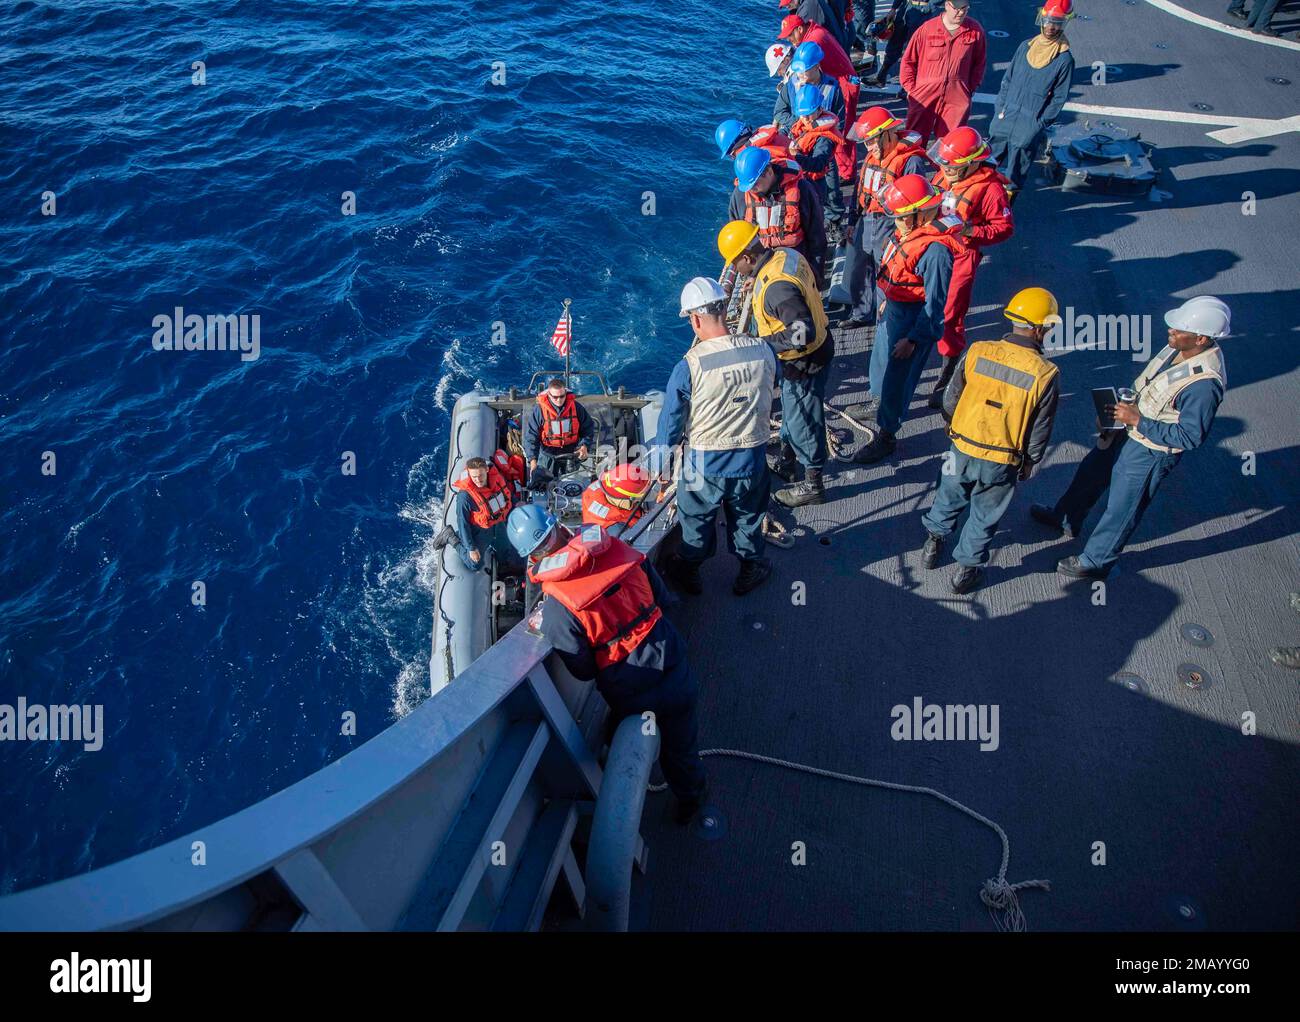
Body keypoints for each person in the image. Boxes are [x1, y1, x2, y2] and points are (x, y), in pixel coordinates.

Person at [506, 506, 707, 823]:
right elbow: (661, 597)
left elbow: (583, 669)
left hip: (629, 688)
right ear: (559, 526)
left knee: (627, 734)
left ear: (532, 558)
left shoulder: (558, 608)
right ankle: (692, 801)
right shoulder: (615, 546)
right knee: (682, 746)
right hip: (672, 661)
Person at [1032, 297, 1230, 581]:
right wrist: (1121, 416)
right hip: (1128, 427)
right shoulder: (1179, 347)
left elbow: (1191, 435)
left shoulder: (1204, 384)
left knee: (1123, 505)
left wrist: (1137, 420)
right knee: (1090, 472)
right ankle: (1066, 518)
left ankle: (1097, 560)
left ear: (1200, 338)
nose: (1170, 332)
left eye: (1177, 330)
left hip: (1150, 450)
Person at [919, 287, 1061, 593]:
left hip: (962, 445)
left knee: (948, 495)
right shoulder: (1045, 373)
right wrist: (1030, 462)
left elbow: (950, 398)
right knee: (985, 512)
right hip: (1002, 459)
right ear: (1039, 328)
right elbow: (1040, 427)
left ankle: (933, 545)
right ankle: (965, 572)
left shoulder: (979, 350)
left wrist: (955, 429)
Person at [656, 276, 777, 596]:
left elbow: (670, 421)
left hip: (703, 464)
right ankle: (750, 568)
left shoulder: (689, 366)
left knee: (696, 521)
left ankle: (691, 570)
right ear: (725, 310)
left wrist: (661, 466)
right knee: (749, 515)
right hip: (751, 457)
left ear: (695, 319)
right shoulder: (763, 350)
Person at [718, 220, 834, 507]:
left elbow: (801, 331)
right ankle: (787, 459)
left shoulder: (776, 288)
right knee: (794, 416)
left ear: (747, 257)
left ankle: (812, 484)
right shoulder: (786, 255)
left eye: (736, 264)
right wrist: (757, 282)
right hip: (819, 346)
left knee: (804, 421)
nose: (735, 270)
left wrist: (761, 346)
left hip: (803, 362)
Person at [855, 173, 966, 464]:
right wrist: (888, 299)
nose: (897, 223)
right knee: (881, 363)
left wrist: (912, 340)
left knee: (898, 379)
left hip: (912, 320)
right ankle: (879, 402)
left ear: (922, 213)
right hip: (895, 307)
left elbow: (935, 305)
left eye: (903, 217)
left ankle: (887, 435)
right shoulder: (909, 233)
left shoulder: (936, 252)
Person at [925, 125, 1015, 405]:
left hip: (960, 256)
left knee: (951, 315)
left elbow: (1003, 228)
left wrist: (970, 232)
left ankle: (948, 372)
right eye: (944, 165)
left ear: (972, 163)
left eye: (952, 167)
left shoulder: (990, 189)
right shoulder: (948, 171)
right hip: (932, 249)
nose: (945, 170)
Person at [841, 107, 933, 329]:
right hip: (867, 219)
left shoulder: (910, 162)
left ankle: (885, 320)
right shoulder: (874, 156)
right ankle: (861, 313)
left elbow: (915, 200)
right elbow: (859, 189)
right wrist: (853, 221)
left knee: (887, 274)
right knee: (859, 271)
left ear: (888, 134)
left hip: (891, 224)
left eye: (872, 141)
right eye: (867, 142)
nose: (869, 147)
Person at [989, 0, 1076, 198]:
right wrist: (1000, 109)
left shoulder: (1064, 60)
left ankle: (1003, 216)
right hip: (1005, 117)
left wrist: (1037, 124)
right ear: (1041, 19)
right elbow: (1007, 80)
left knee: (1013, 179)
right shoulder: (1025, 47)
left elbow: (1058, 99)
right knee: (986, 166)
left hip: (1028, 125)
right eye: (1048, 21)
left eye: (1057, 23)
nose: (1051, 27)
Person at [729, 146, 829, 287]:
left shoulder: (802, 190)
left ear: (769, 171)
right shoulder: (740, 197)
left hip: (797, 267)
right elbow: (740, 243)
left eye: (755, 184)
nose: (752, 190)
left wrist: (815, 275)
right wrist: (752, 275)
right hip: (762, 272)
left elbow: (817, 237)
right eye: (748, 186)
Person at [898, 0, 986, 144]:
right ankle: (912, 165)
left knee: (950, 143)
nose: (961, 12)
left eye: (965, 8)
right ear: (947, 5)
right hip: (923, 95)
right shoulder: (927, 29)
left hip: (956, 97)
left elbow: (979, 63)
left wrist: (969, 89)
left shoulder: (975, 31)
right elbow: (908, 61)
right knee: (913, 139)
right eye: (957, 8)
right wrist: (911, 89)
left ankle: (943, 167)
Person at [779, 13, 862, 142]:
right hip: (843, 80)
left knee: (843, 135)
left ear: (799, 29)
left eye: (790, 35)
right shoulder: (815, 31)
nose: (789, 40)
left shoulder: (813, 41)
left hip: (844, 84)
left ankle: (846, 161)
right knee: (846, 129)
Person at [788, 83, 857, 234]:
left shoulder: (824, 139)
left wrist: (795, 157)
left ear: (820, 109)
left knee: (827, 199)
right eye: (802, 114)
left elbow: (818, 164)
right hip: (806, 174)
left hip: (817, 177)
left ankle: (834, 226)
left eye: (809, 114)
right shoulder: (804, 125)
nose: (805, 118)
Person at [450, 455, 516, 573]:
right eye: (474, 477)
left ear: (486, 470)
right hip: (480, 530)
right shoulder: (464, 496)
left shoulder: (496, 479)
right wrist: (471, 548)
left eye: (480, 475)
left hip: (498, 523)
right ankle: (452, 538)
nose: (478, 480)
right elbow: (463, 523)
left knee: (505, 550)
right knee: (474, 564)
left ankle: (505, 569)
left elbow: (506, 494)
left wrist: (517, 504)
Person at [523, 377, 594, 481]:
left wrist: (584, 445)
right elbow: (531, 436)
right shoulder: (539, 411)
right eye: (555, 397)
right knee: (545, 482)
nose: (559, 400)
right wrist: (533, 463)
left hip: (571, 452)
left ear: (565, 393)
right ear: (549, 395)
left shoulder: (577, 408)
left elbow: (588, 428)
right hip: (548, 454)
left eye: (562, 396)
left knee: (572, 481)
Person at [865, 0, 938, 87]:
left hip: (923, 11)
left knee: (914, 50)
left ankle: (910, 85)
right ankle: (881, 77)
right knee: (893, 44)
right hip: (906, 7)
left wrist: (929, 7)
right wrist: (893, 8)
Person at [582, 462, 652, 537]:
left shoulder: (607, 484)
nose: (638, 501)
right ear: (623, 501)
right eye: (637, 500)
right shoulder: (620, 531)